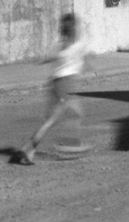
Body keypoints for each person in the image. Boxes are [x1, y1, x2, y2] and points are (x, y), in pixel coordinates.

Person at [16, 12, 89, 165]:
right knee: (70, 116)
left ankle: (30, 150)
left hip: (55, 82)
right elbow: (80, 53)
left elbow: (51, 57)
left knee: (56, 119)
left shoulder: (60, 45)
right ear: (73, 29)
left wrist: (41, 61)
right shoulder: (77, 45)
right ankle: (69, 144)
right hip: (65, 83)